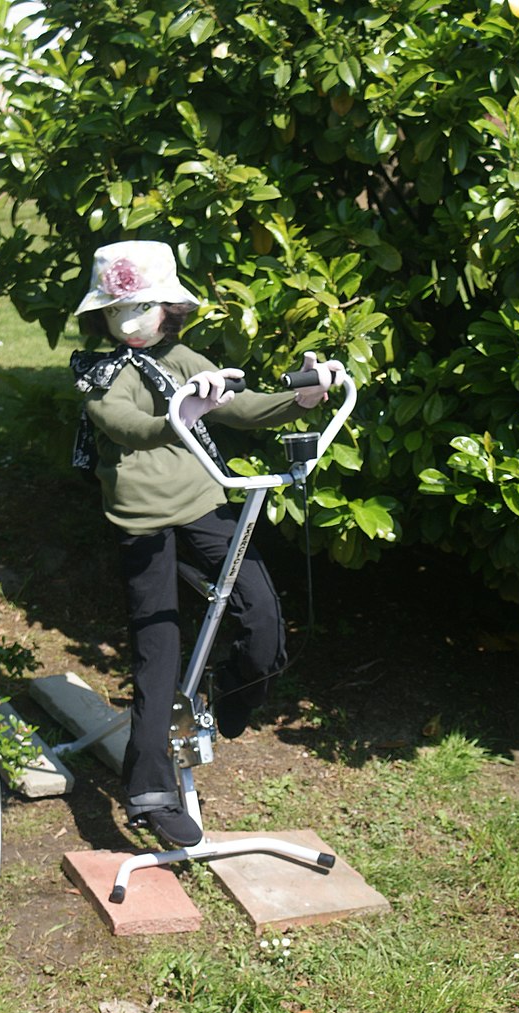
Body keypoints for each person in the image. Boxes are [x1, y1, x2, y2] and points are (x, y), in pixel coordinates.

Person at [72, 240, 342, 847]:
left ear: (169, 309)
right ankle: (149, 794)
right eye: (118, 313)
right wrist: (178, 416)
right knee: (156, 650)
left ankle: (229, 698)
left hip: (203, 499)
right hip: (139, 515)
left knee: (262, 613)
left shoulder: (183, 357)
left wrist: (300, 398)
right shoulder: (100, 372)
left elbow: (241, 407)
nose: (131, 323)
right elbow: (122, 424)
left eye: (142, 310)